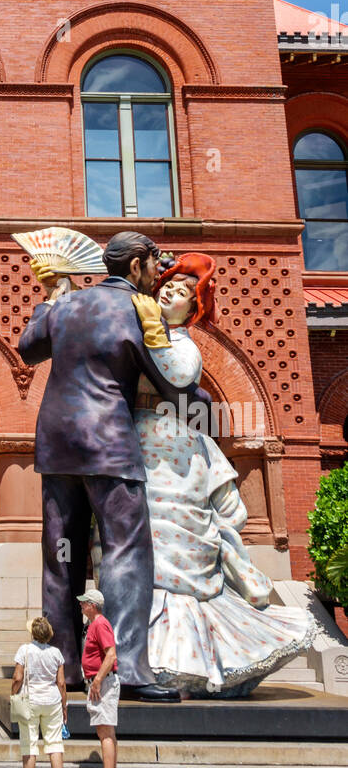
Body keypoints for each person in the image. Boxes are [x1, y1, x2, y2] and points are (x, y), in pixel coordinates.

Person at [18, 230, 205, 700]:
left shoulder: (69, 305)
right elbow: (172, 387)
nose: (159, 275)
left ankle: (65, 669)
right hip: (109, 445)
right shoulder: (139, 309)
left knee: (61, 558)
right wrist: (197, 400)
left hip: (57, 445)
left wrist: (50, 298)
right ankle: (129, 671)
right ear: (137, 265)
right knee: (125, 554)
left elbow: (27, 347)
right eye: (155, 265)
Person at [136, 252, 316, 695]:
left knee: (175, 559)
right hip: (135, 449)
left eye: (181, 293)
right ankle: (154, 657)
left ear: (191, 311)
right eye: (167, 288)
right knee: (146, 556)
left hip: (173, 457)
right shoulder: (136, 332)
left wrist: (152, 330)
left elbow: (177, 376)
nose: (169, 294)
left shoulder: (180, 345)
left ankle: (194, 664)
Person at [10, 615, 69, 768]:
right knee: (55, 744)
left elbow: (18, 677)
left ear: (33, 633)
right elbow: (61, 683)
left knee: (29, 744)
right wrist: (64, 705)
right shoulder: (56, 653)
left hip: (31, 701)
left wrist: (13, 694)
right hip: (52, 701)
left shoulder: (25, 650)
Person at [79, 591, 122, 768]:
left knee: (104, 732)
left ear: (92, 606)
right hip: (101, 682)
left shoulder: (99, 624)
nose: (81, 606)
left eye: (84, 603)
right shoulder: (96, 624)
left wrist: (96, 680)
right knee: (107, 732)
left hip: (103, 683)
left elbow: (111, 653)